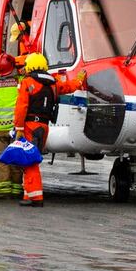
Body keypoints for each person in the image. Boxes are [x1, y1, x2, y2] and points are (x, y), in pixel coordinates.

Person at [14, 53, 86, 207]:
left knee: (30, 161)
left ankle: (36, 197)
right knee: (31, 159)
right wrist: (80, 79)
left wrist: (19, 128)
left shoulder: (27, 83)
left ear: (30, 66)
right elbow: (69, 86)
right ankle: (28, 194)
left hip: (30, 126)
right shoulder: (53, 82)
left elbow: (21, 107)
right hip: (44, 127)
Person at [0, 53, 22, 199]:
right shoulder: (20, 83)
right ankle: (16, 189)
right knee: (16, 159)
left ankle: (2, 190)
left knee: (1, 159)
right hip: (16, 130)